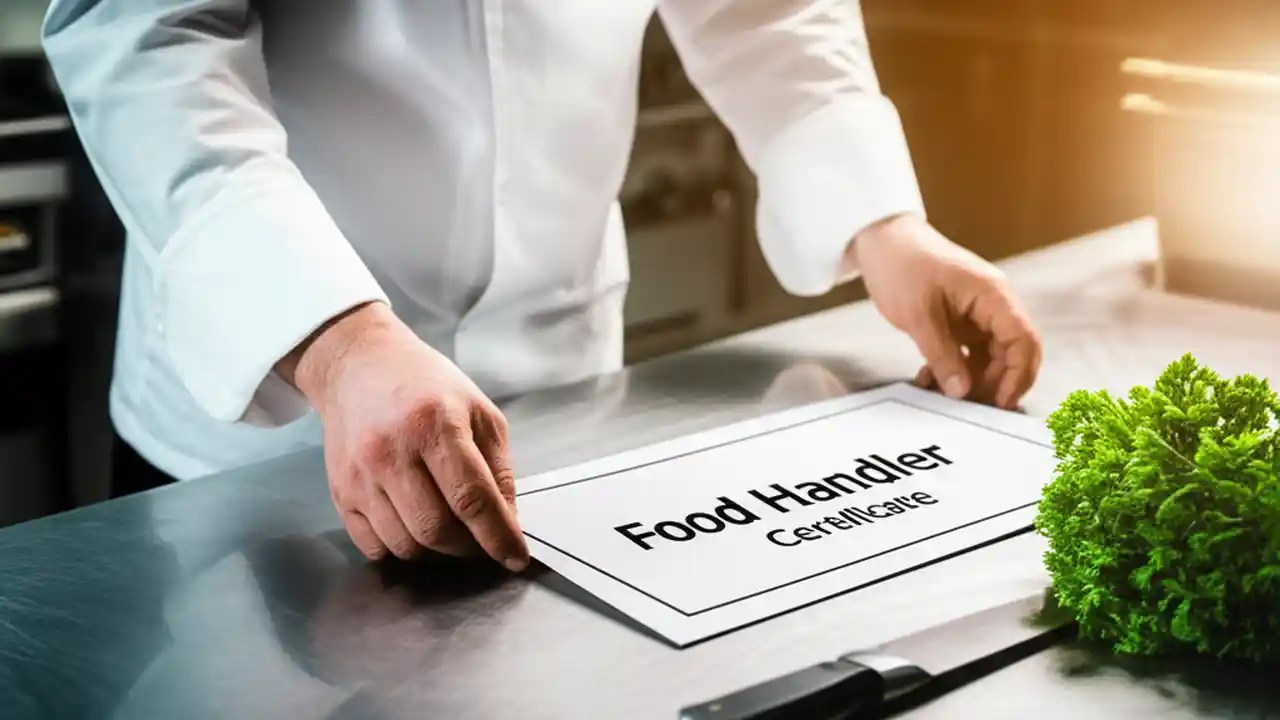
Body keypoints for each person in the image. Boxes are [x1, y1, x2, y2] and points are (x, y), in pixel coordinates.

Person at [41, 1, 1042, 573]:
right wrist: (337, 341)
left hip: (563, 391)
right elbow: (144, 36)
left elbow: (767, 11)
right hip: (266, 410)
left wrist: (879, 219)